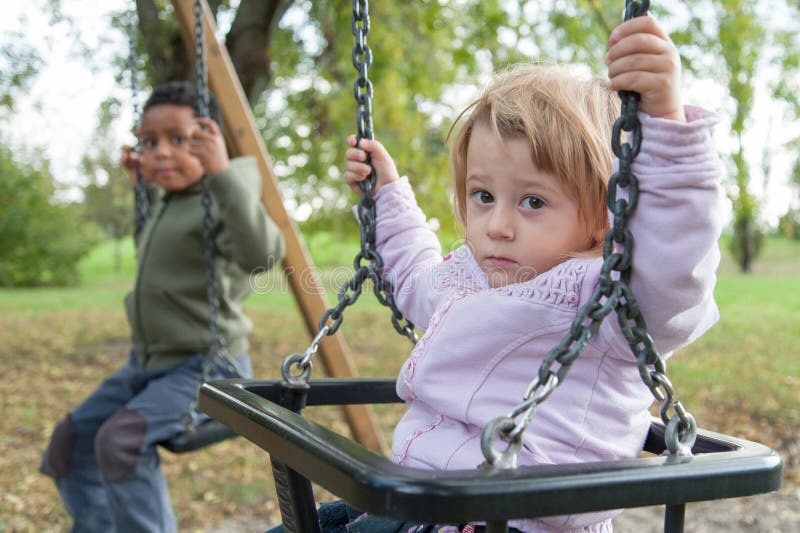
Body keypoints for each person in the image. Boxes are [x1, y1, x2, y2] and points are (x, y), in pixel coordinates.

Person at [270, 14, 723, 533]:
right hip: (426, 501)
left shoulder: (606, 298)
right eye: (483, 196)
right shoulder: (470, 275)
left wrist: (665, 126)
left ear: (604, 214)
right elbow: (415, 274)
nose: (498, 226)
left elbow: (674, 267)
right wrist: (387, 197)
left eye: (533, 201)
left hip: (511, 519)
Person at [40, 81, 286, 532]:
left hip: (207, 367)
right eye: (149, 142)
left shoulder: (225, 196)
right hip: (148, 363)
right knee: (69, 442)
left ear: (211, 141)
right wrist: (142, 186)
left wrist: (222, 174)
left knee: (120, 442)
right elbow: (162, 257)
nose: (161, 153)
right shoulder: (171, 200)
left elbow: (264, 256)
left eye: (178, 139)